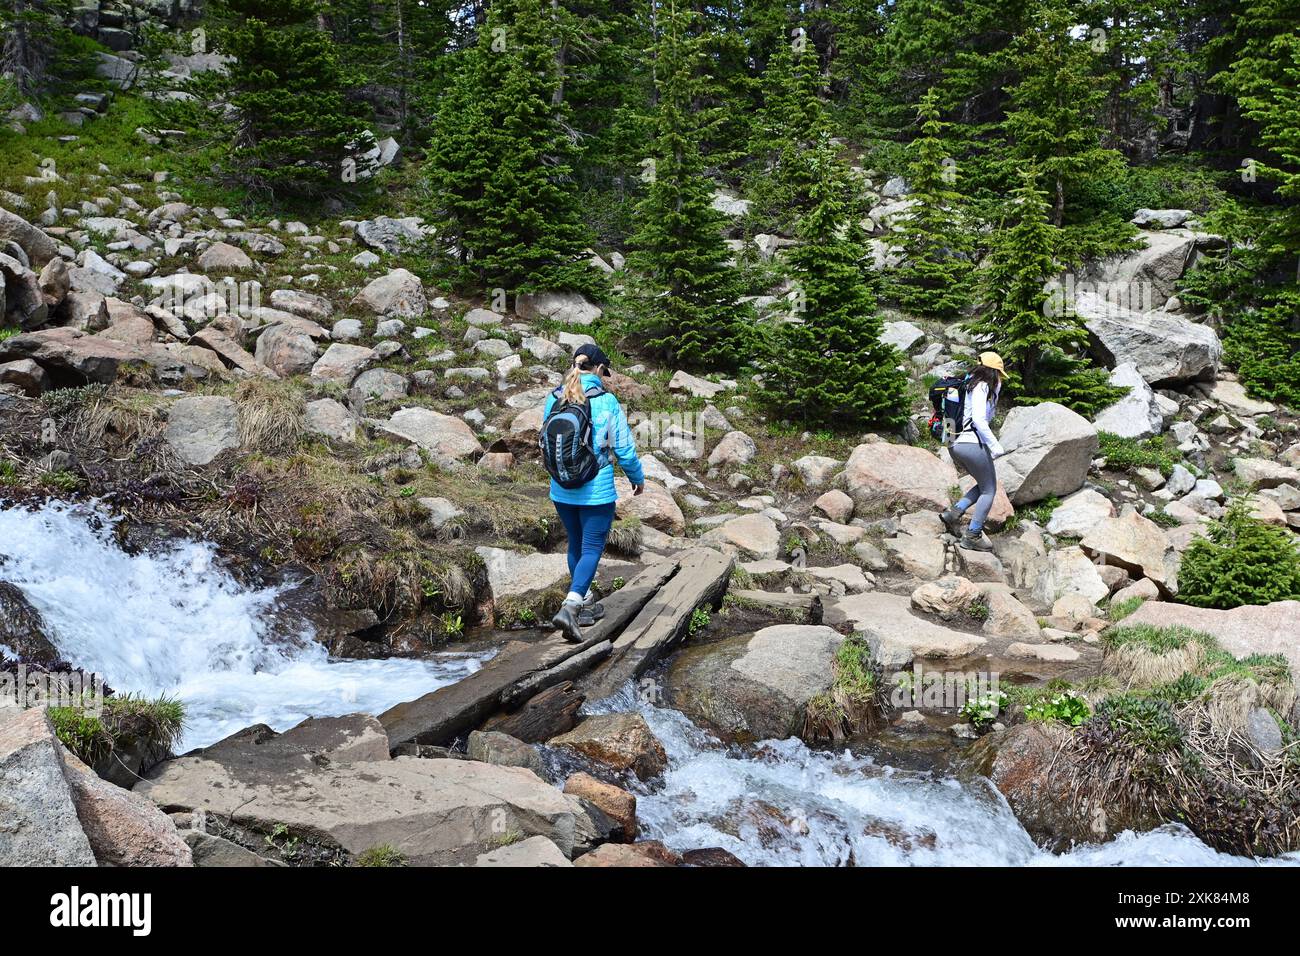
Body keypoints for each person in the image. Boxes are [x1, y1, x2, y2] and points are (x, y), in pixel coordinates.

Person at [543, 344, 644, 641]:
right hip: (595, 490)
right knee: (591, 549)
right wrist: (637, 478)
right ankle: (571, 607)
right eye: (605, 372)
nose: (606, 377)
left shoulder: (554, 397)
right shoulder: (606, 400)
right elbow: (624, 449)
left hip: (561, 488)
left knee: (575, 544)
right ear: (599, 369)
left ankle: (585, 604)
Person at [940, 352, 1007, 552]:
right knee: (990, 490)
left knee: (984, 484)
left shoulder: (967, 384)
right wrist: (995, 446)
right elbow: (979, 419)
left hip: (954, 444)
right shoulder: (983, 386)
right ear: (993, 372)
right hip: (970, 443)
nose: (1000, 380)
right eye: (999, 375)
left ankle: (954, 513)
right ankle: (973, 535)